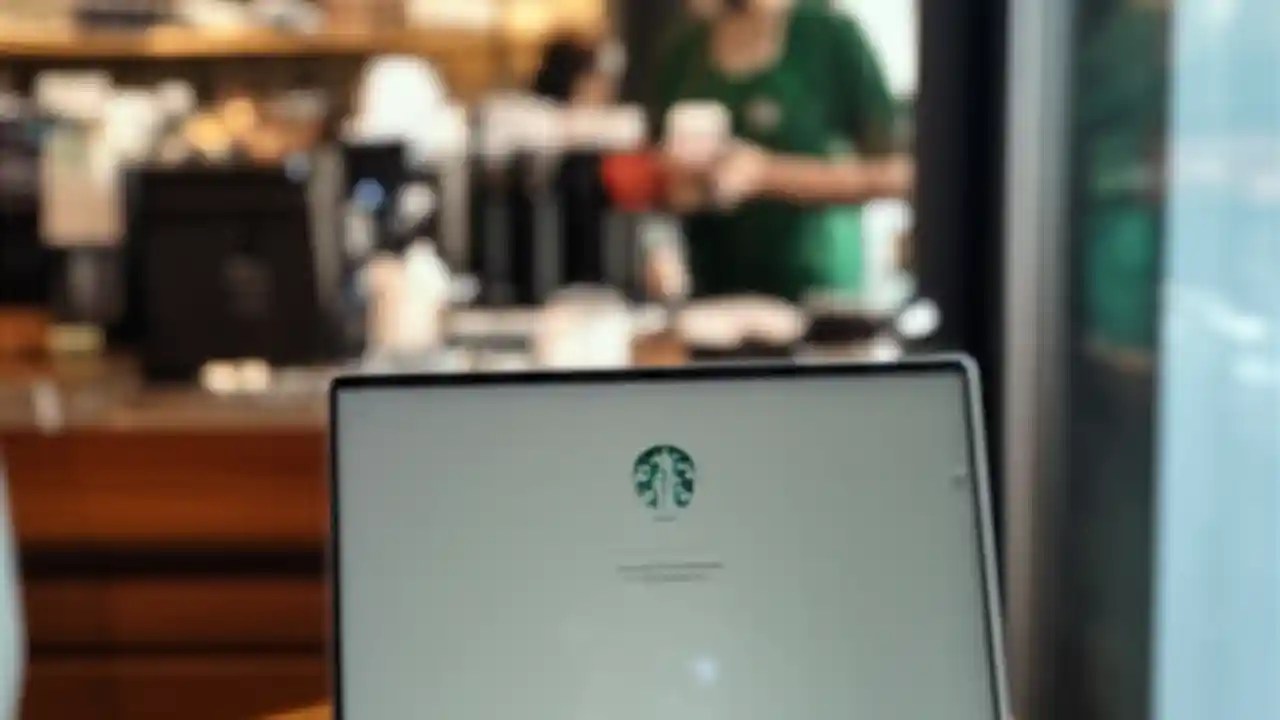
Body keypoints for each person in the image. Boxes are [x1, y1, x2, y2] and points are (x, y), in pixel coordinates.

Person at [651, 0, 912, 301]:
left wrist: (767, 175)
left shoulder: (829, 38)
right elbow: (657, 174)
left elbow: (900, 174)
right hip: (713, 301)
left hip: (819, 296)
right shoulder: (684, 53)